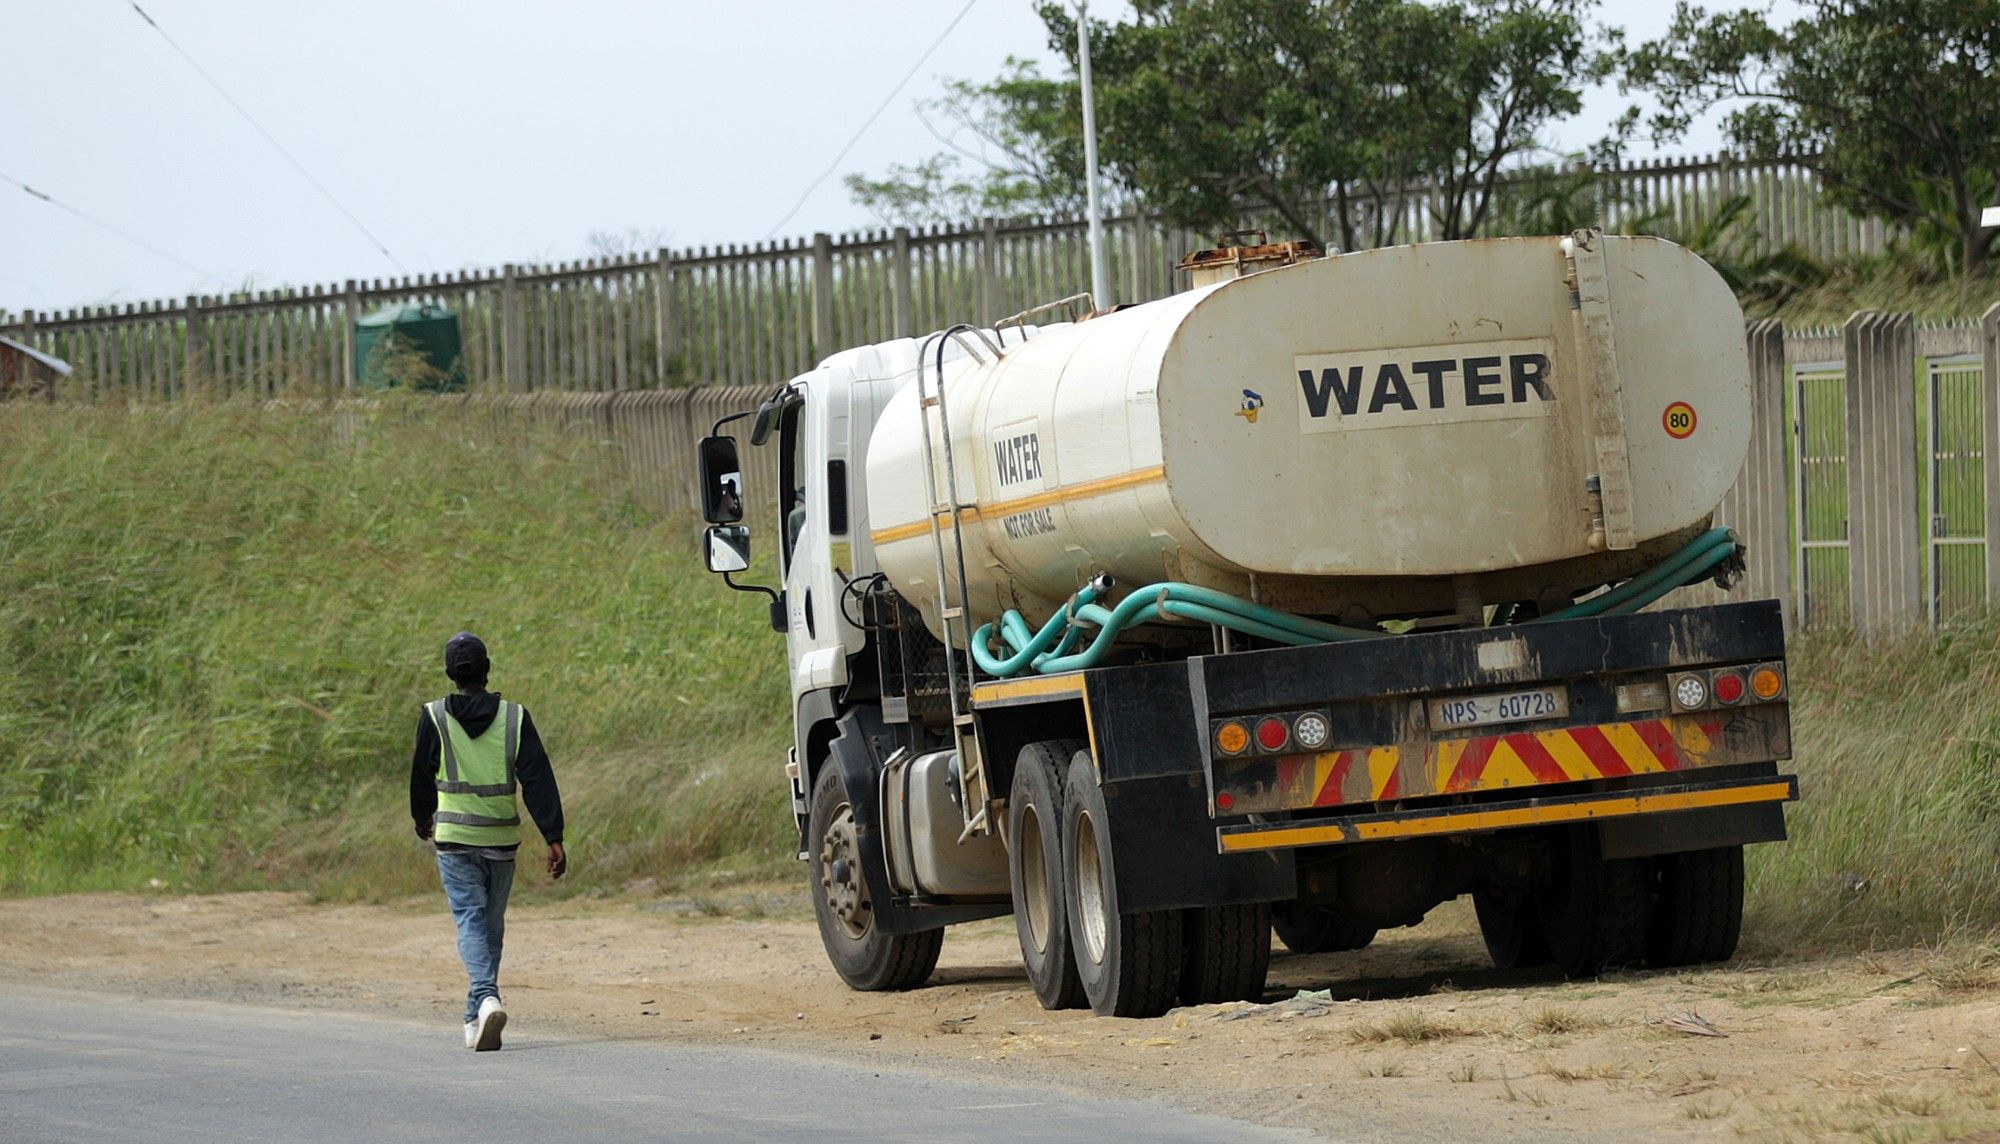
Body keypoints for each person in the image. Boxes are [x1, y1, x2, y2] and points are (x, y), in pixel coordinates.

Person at [410, 632, 566, 1051]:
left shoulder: (434, 715)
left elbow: (421, 773)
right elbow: (537, 777)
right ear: (487, 669)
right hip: (500, 839)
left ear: (450, 673)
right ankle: (473, 1017)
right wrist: (553, 835)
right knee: (490, 927)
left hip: (455, 837)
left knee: (470, 920)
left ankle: (484, 998)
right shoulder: (514, 717)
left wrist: (422, 816)